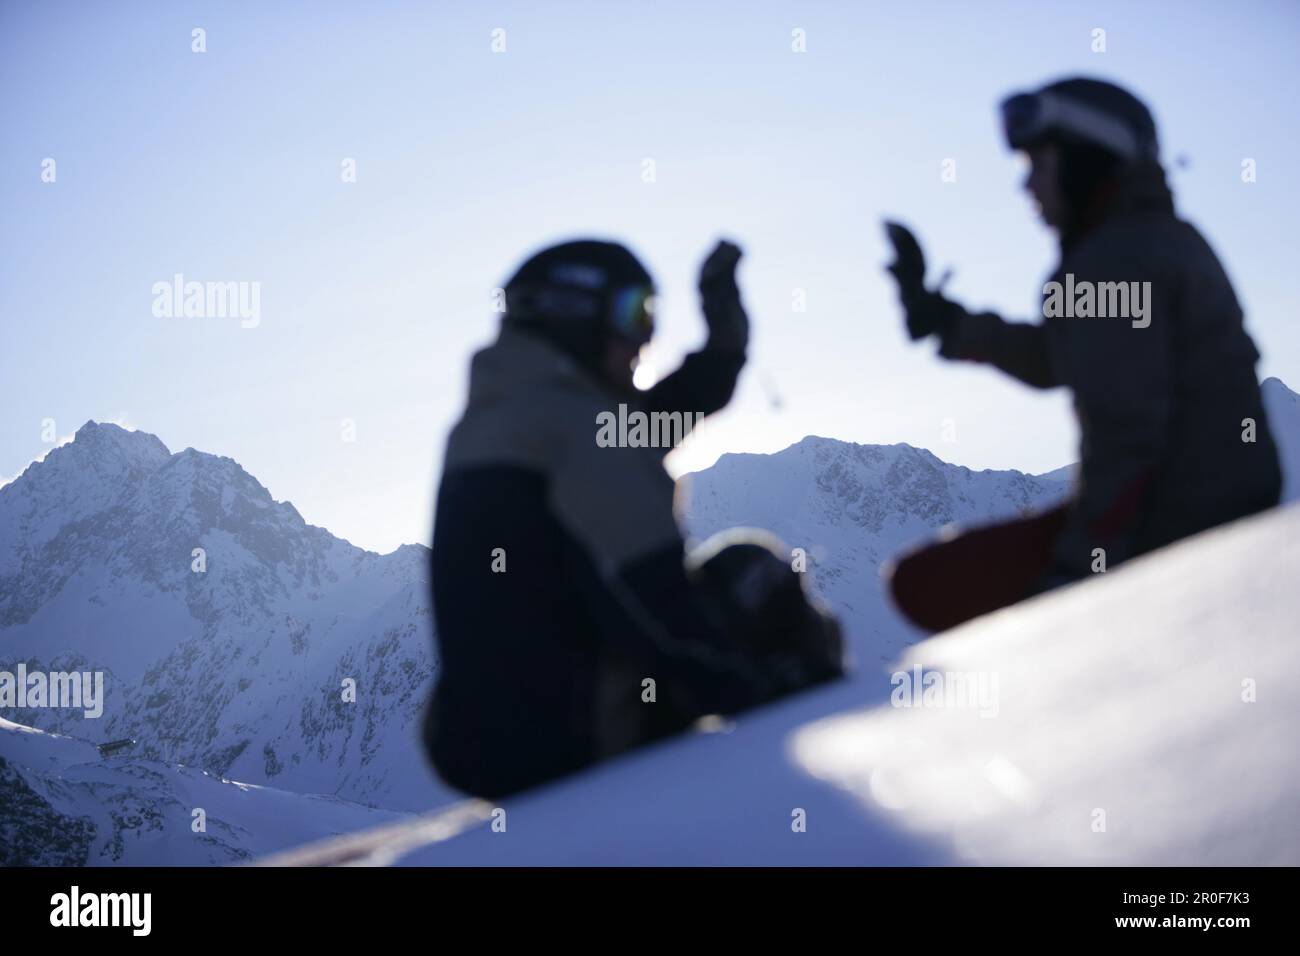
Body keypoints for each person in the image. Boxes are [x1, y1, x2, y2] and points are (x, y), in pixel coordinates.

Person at [424, 238, 843, 798]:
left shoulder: (503, 417)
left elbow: (647, 422)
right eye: (634, 314)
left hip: (476, 750)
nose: (646, 340)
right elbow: (658, 603)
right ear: (574, 315)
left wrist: (724, 348)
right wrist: (761, 688)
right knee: (755, 571)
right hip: (576, 743)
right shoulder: (577, 429)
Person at [883, 77, 1282, 633]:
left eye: (1039, 166)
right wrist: (948, 321)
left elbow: (1128, 437)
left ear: (1085, 164)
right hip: (1215, 500)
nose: (1028, 188)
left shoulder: (1113, 260)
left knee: (924, 584)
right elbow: (1063, 355)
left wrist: (1077, 573)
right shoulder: (1153, 241)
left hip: (1175, 520)